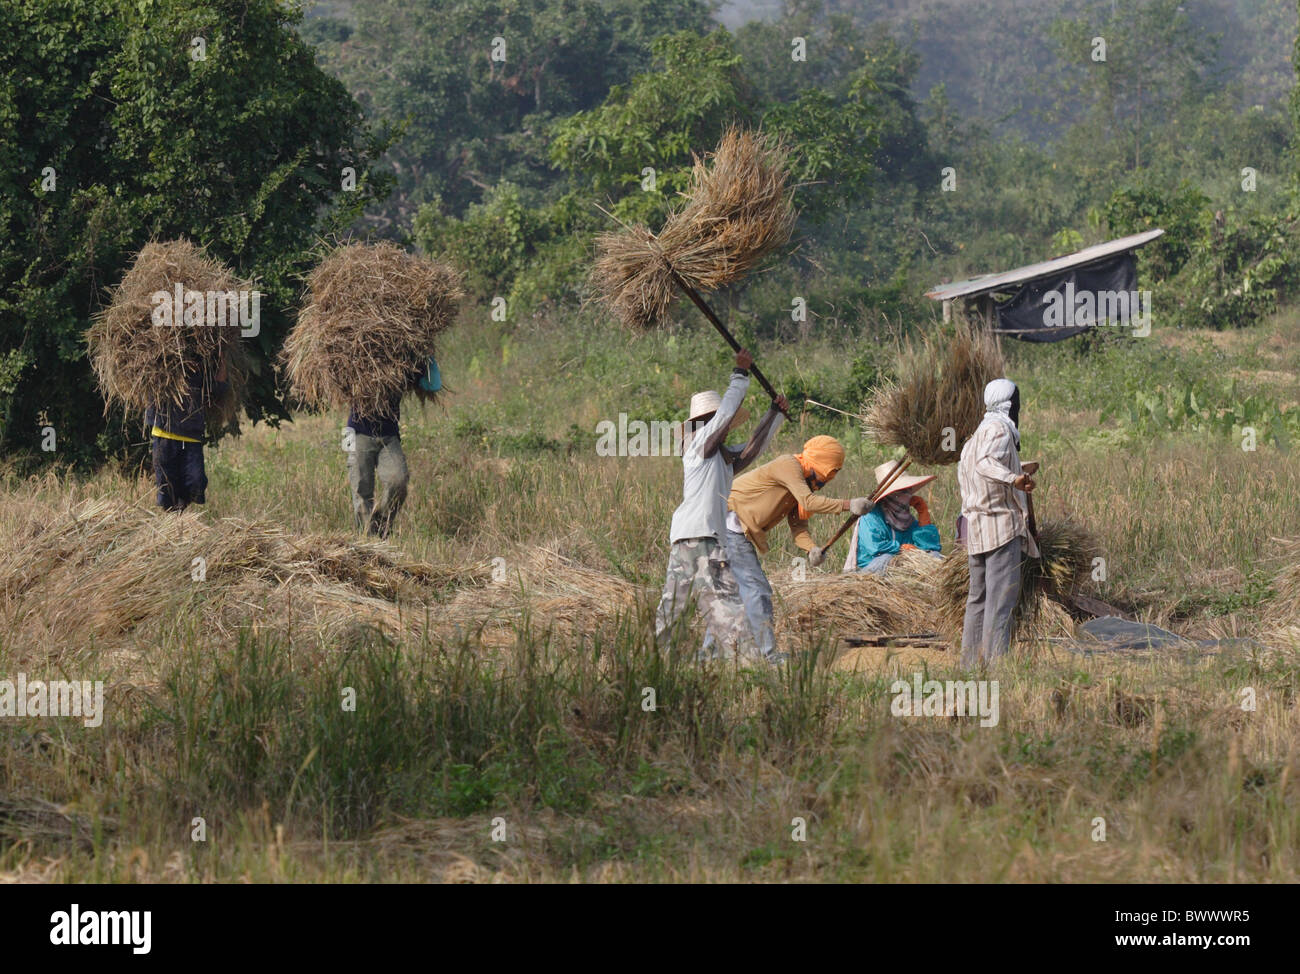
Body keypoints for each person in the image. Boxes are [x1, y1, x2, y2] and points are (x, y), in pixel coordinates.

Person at [654, 349, 786, 661]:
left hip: (687, 539)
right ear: (706, 424)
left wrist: (774, 414)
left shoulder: (721, 459)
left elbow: (752, 450)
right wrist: (739, 376)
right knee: (725, 605)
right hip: (703, 539)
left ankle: (661, 661)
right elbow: (724, 417)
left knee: (673, 606)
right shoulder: (698, 445)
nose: (723, 427)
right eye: (716, 422)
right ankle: (748, 663)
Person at [725, 435, 870, 659]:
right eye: (832, 471)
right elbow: (808, 502)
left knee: (735, 593)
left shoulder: (802, 484)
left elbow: (799, 526)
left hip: (735, 532)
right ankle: (768, 656)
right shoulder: (789, 465)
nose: (830, 478)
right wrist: (849, 505)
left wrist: (811, 549)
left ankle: (721, 651)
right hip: (729, 526)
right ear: (822, 463)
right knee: (757, 590)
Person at [957, 378, 1039, 667]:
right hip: (1000, 528)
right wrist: (1013, 478)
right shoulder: (1001, 430)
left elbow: (977, 468)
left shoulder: (975, 436)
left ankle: (969, 666)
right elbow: (986, 463)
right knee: (1000, 603)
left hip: (976, 530)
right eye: (1017, 402)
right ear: (1010, 405)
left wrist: (1019, 468)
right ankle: (995, 667)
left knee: (977, 600)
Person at [347, 355, 440, 538]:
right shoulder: (360, 356)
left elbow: (432, 385)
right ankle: (368, 539)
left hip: (389, 436)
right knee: (360, 489)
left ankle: (381, 523)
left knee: (398, 481)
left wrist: (428, 355)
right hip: (356, 433)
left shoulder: (406, 363)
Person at [145, 356, 227, 512]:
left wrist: (224, 357)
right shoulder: (162, 369)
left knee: (197, 481)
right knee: (166, 485)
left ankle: (181, 509)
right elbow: (145, 372)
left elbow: (219, 388)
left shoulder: (201, 372)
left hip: (192, 438)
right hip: (164, 435)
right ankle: (172, 520)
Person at [844, 461, 941, 574]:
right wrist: (902, 548)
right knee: (886, 558)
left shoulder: (908, 519)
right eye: (900, 491)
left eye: (907, 490)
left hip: (903, 566)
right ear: (889, 495)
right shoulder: (872, 516)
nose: (906, 495)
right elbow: (875, 547)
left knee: (934, 556)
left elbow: (929, 547)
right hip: (872, 569)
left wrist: (923, 512)